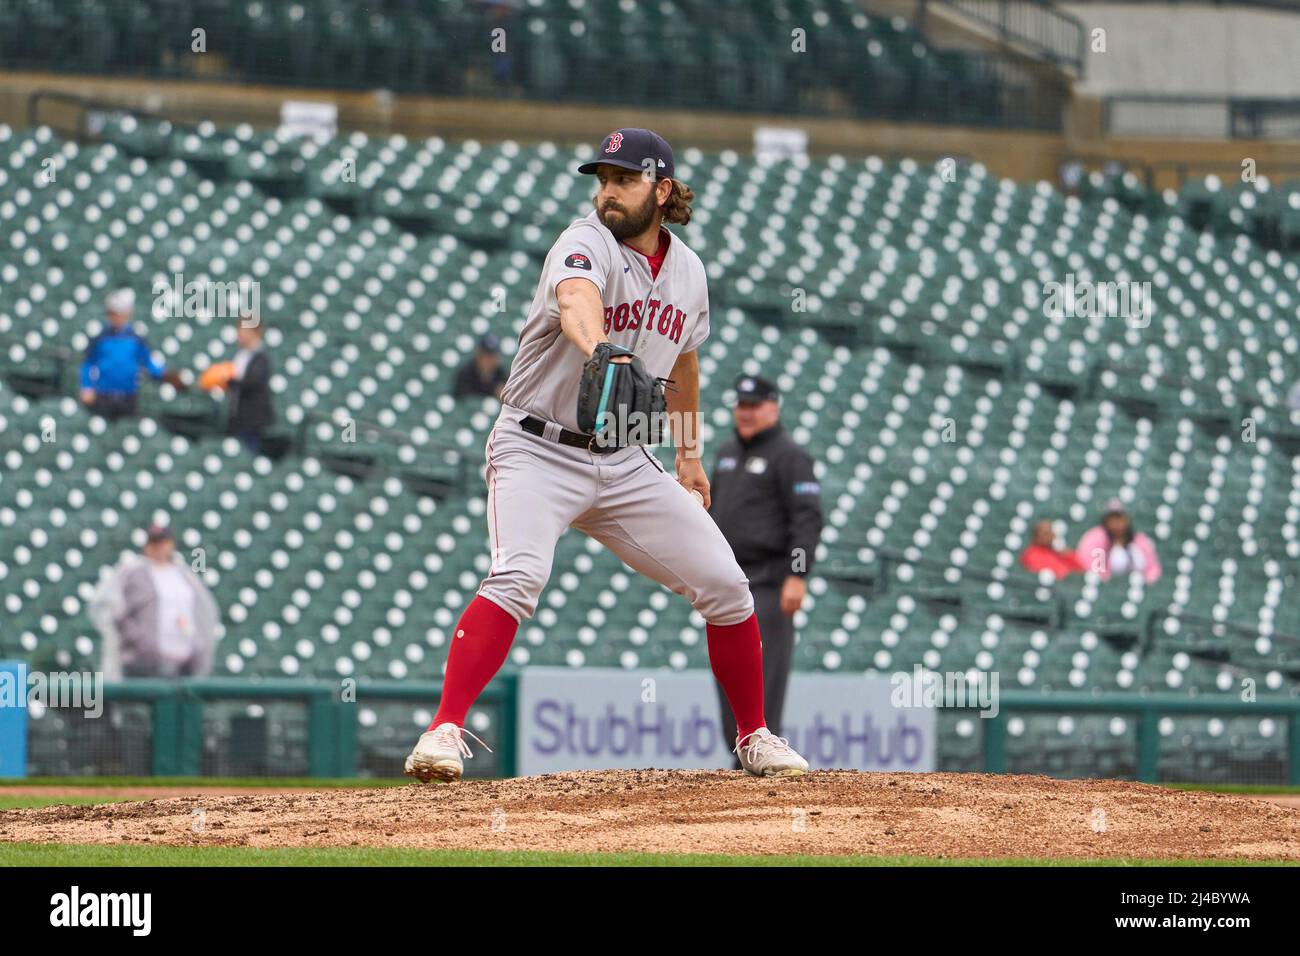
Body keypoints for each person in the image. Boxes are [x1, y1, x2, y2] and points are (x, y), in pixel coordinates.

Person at [404, 127, 810, 782]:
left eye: (624, 179)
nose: (609, 192)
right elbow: (575, 302)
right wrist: (600, 350)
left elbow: (684, 360)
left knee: (728, 586)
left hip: (623, 458)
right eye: (603, 179)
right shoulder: (584, 241)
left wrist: (689, 455)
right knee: (519, 576)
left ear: (664, 189)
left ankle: (755, 736)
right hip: (536, 445)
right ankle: (444, 729)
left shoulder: (690, 272)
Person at [707, 374, 822, 761]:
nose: (746, 413)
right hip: (729, 582)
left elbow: (807, 519)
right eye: (741, 405)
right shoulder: (725, 454)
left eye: (754, 406)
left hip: (770, 583)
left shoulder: (790, 455)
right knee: (730, 674)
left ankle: (762, 754)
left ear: (773, 408)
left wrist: (798, 574)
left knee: (764, 675)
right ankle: (738, 756)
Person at [88, 523, 219, 680]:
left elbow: (203, 612)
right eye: (154, 542)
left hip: (183, 664)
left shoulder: (184, 574)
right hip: (143, 665)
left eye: (162, 542)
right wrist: (138, 641)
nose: (159, 547)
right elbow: (111, 608)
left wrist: (197, 645)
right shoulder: (133, 572)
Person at [79, 289, 182, 420]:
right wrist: (87, 387)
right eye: (112, 314)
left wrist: (164, 375)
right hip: (103, 396)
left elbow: (148, 362)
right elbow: (88, 363)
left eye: (118, 314)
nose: (115, 317)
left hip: (128, 398)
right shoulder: (100, 339)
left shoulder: (136, 340)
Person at [198, 313, 276, 454]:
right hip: (236, 417)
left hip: (252, 419)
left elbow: (251, 381)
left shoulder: (260, 358)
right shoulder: (240, 355)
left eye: (243, 330)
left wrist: (227, 380)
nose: (239, 334)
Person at [1075, 498, 1162, 584]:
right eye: (1112, 518)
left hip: (1138, 587)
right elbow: (1095, 570)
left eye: (1119, 517)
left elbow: (1153, 569)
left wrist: (1147, 583)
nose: (1116, 522)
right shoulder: (1095, 538)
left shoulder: (1139, 540)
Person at [1020, 519, 1086, 580]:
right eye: (1045, 534)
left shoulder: (1059, 551)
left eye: (1051, 532)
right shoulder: (1031, 554)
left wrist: (1065, 553)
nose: (1050, 536)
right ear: (1035, 537)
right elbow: (1056, 573)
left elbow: (1081, 567)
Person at [453, 332, 508, 400]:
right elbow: (461, 397)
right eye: (486, 355)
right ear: (478, 354)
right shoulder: (465, 373)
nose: (489, 360)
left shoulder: (501, 374)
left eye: (492, 356)